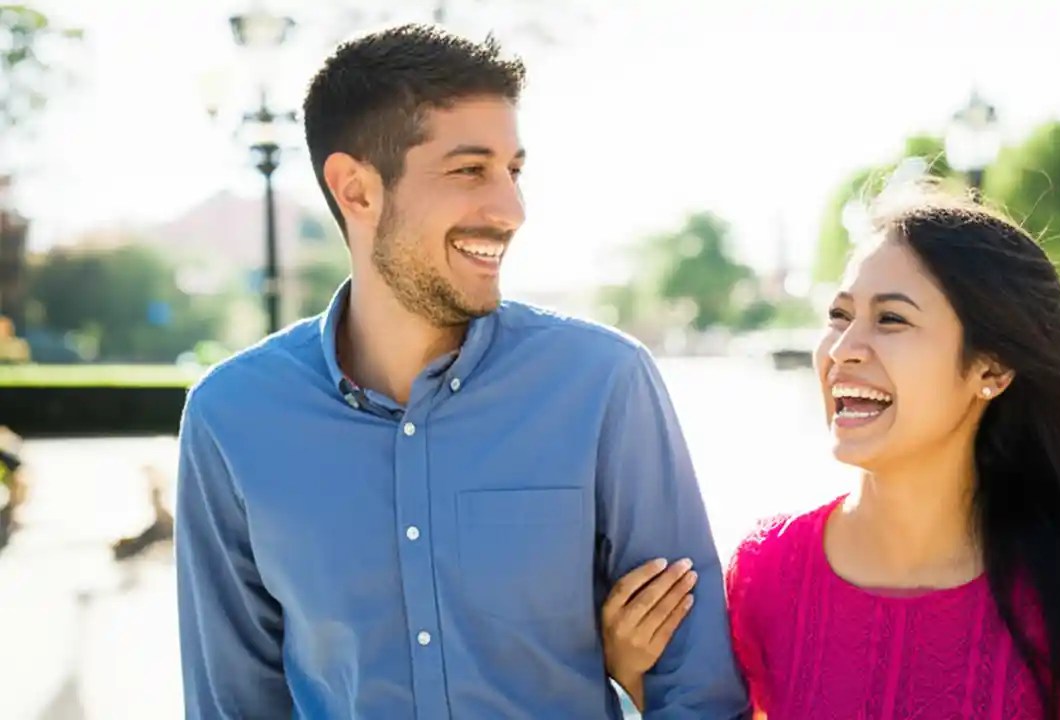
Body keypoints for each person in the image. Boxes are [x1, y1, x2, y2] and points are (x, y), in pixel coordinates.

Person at [174, 24, 748, 719]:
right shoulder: (233, 418)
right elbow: (233, 701)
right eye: (470, 170)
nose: (510, 209)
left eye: (514, 170)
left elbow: (698, 687)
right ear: (356, 190)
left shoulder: (603, 384)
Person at [603, 188, 1060, 719]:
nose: (843, 347)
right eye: (839, 315)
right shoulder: (765, 573)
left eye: (891, 320)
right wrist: (644, 685)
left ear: (993, 365)